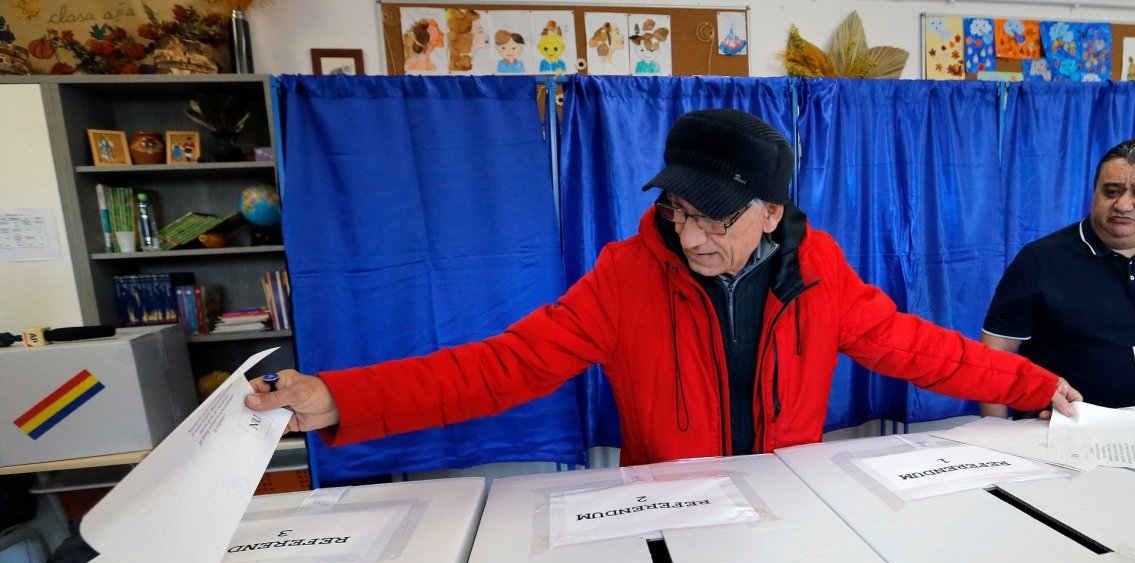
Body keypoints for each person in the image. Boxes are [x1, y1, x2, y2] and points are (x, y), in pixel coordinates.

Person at [247, 109, 1078, 466]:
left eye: (714, 219)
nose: (689, 237)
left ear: (770, 212)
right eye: (678, 211)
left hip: (791, 504)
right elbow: (503, 367)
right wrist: (338, 398)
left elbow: (921, 350)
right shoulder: (624, 277)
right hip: (667, 512)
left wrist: (1038, 388)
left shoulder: (821, 272)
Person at [980, 136, 1135, 417]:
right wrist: (997, 435)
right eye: (1111, 191)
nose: (1122, 204)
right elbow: (996, 354)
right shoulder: (1041, 260)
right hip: (1062, 432)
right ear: (1094, 191)